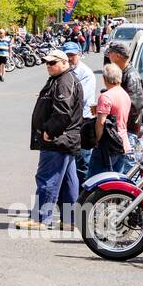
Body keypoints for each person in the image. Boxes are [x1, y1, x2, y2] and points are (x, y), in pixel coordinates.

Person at [16, 50, 84, 231]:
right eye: (47, 63)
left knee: (47, 178)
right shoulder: (61, 79)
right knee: (69, 181)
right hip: (66, 139)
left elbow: (63, 111)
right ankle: (70, 220)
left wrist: (50, 131)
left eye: (52, 63)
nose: (49, 66)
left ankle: (40, 219)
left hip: (59, 139)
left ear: (63, 62)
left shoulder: (65, 81)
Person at [90, 62, 131, 176]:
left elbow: (101, 123)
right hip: (122, 142)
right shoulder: (124, 94)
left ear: (104, 78)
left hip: (108, 145)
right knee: (116, 181)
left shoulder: (106, 96)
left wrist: (97, 141)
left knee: (94, 181)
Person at [64, 41, 97, 181]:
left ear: (79, 54)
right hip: (69, 123)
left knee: (83, 162)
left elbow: (80, 99)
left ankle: (84, 196)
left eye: (72, 55)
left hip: (83, 122)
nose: (69, 58)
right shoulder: (65, 71)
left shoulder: (86, 74)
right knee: (70, 162)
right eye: (66, 55)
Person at [105, 41, 143, 146]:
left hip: (127, 131)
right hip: (121, 129)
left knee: (126, 161)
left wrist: (116, 120)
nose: (108, 55)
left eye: (110, 52)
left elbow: (135, 106)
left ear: (117, 55)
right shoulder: (122, 72)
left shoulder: (131, 76)